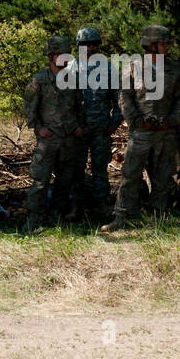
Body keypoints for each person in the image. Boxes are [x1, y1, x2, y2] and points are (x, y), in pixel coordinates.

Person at [100, 25, 180, 233]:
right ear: (150, 46)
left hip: (166, 133)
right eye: (164, 43)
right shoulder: (132, 68)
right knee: (130, 174)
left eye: (168, 43)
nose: (168, 47)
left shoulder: (175, 70)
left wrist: (171, 121)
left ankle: (159, 216)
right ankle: (121, 216)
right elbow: (125, 98)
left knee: (163, 176)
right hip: (140, 133)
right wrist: (138, 121)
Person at [23, 35, 86, 232]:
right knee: (40, 180)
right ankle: (34, 219)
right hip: (48, 139)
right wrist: (38, 127)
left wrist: (79, 126)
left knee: (64, 180)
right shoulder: (39, 79)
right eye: (62, 54)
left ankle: (57, 217)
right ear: (51, 56)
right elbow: (29, 107)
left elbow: (79, 106)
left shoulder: (73, 80)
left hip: (68, 139)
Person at [73, 26, 122, 218]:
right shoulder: (70, 69)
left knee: (100, 168)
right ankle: (75, 206)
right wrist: (71, 126)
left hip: (101, 129)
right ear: (79, 46)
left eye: (94, 44)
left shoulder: (109, 69)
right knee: (76, 169)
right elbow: (63, 103)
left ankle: (101, 205)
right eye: (86, 44)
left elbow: (119, 100)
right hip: (77, 130)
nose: (91, 48)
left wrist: (114, 123)